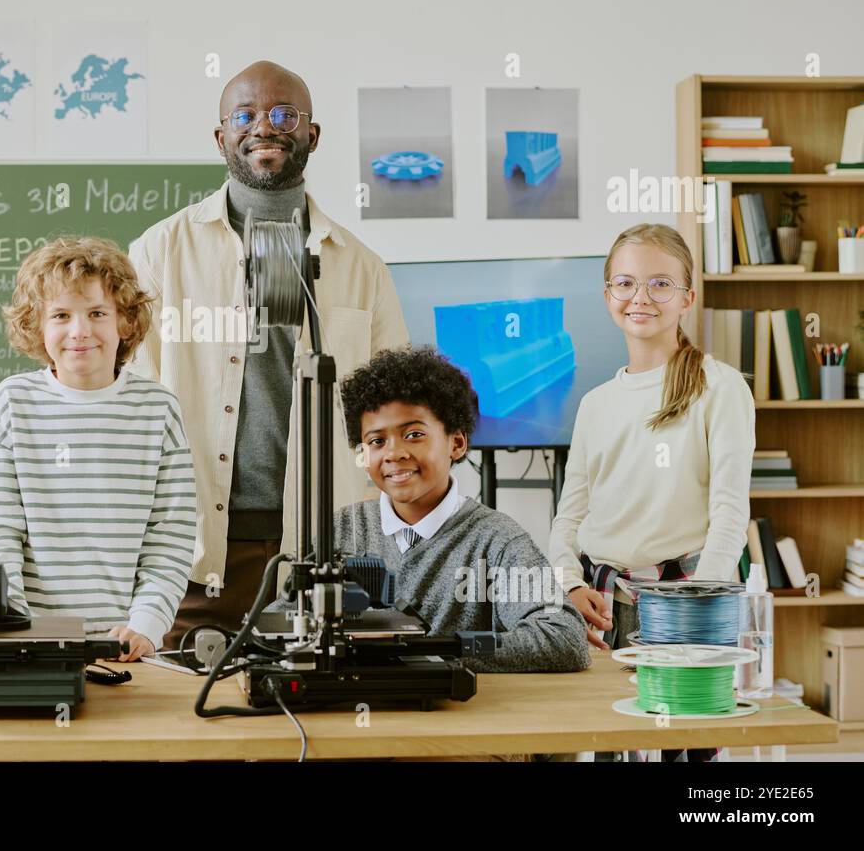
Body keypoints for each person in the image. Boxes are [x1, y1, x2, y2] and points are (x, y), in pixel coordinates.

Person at [128, 60, 409, 648]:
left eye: (285, 114)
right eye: (246, 115)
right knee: (186, 731)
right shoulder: (160, 251)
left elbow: (393, 414)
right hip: (193, 553)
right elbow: (131, 398)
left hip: (321, 551)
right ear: (220, 136)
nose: (265, 127)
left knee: (310, 729)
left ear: (312, 134)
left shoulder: (362, 267)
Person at [547, 223, 755, 761]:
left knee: (682, 754)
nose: (641, 297)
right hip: (604, 606)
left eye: (660, 284)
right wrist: (570, 585)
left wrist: (693, 617)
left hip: (686, 605)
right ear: (608, 295)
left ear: (687, 297)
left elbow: (730, 514)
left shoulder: (721, 386)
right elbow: (569, 518)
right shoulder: (596, 403)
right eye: (625, 283)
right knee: (613, 748)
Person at [0, 236, 196, 662]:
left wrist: (145, 625)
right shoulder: (13, 402)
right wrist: (15, 625)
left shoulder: (158, 408)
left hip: (125, 645)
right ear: (37, 325)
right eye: (60, 315)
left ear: (125, 322)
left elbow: (171, 535)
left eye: (97, 313)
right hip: (30, 643)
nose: (80, 331)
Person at [335, 346, 590, 673]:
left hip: (456, 718)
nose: (393, 453)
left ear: (456, 443)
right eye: (376, 441)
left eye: (414, 435)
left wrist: (429, 653)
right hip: (358, 714)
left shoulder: (498, 541)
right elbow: (278, 628)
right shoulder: (341, 529)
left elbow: (563, 638)